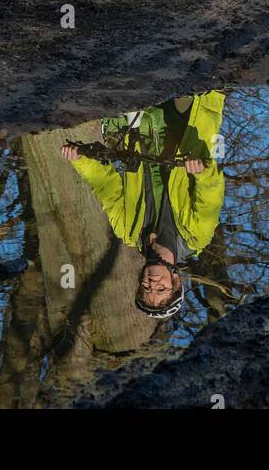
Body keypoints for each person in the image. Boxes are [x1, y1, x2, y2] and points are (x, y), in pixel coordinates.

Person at [61, 90, 226, 319]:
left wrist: (80, 161)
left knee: (131, 80)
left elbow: (107, 187)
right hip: (187, 126)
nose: (152, 283)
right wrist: (202, 173)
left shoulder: (128, 231)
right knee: (188, 79)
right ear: (176, 280)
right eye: (161, 289)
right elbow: (210, 198)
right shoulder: (196, 236)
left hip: (143, 130)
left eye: (146, 288)